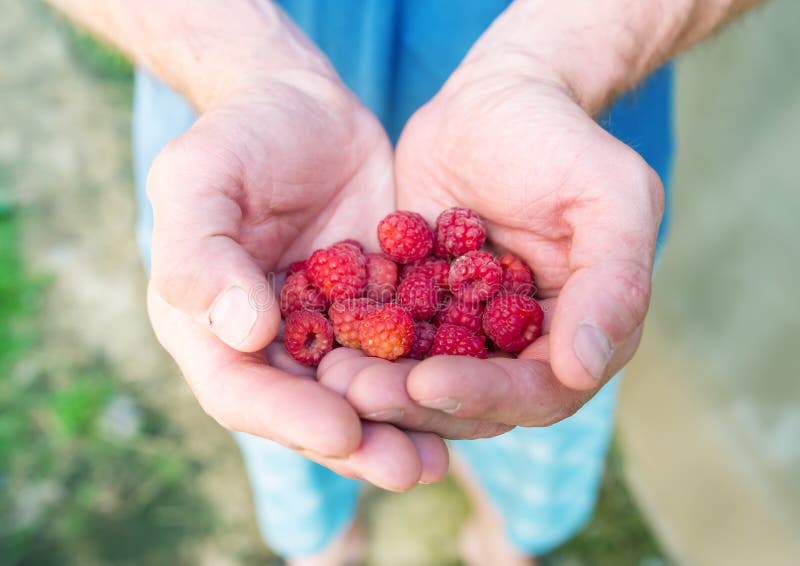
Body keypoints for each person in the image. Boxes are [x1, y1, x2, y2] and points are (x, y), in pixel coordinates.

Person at [50, 1, 761, 564]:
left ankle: (508, 531)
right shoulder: (342, 275)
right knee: (265, 366)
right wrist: (245, 72)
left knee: (552, 357)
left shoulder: (477, 272)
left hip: (551, 142)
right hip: (248, 136)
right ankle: (325, 536)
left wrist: (554, 64)